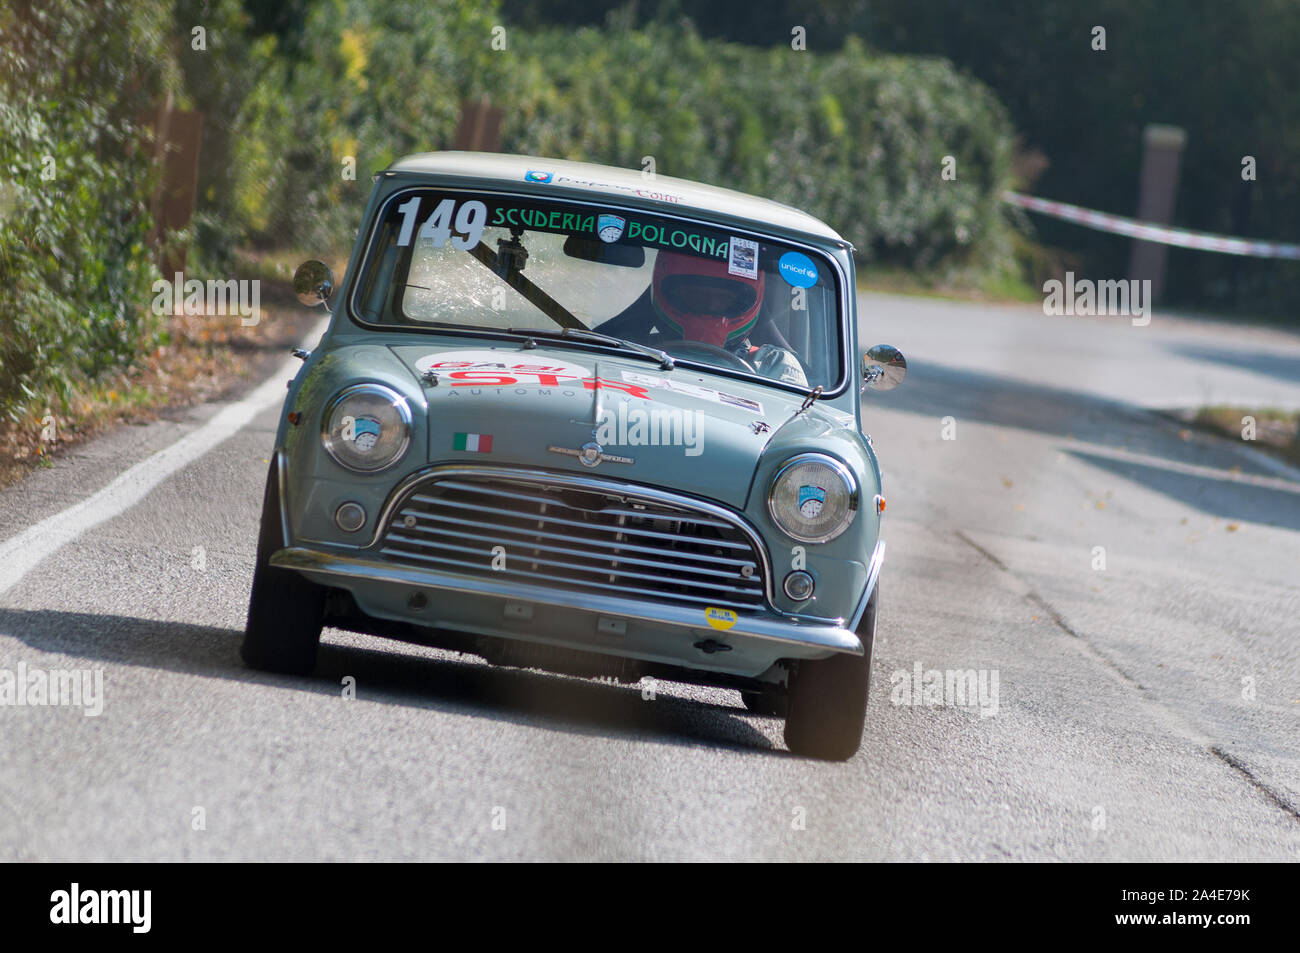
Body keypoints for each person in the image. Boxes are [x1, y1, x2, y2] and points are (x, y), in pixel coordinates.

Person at [599, 250, 809, 386]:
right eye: (695, 296)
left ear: (745, 302)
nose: (711, 306)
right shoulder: (627, 350)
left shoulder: (774, 365)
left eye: (723, 299)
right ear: (669, 293)